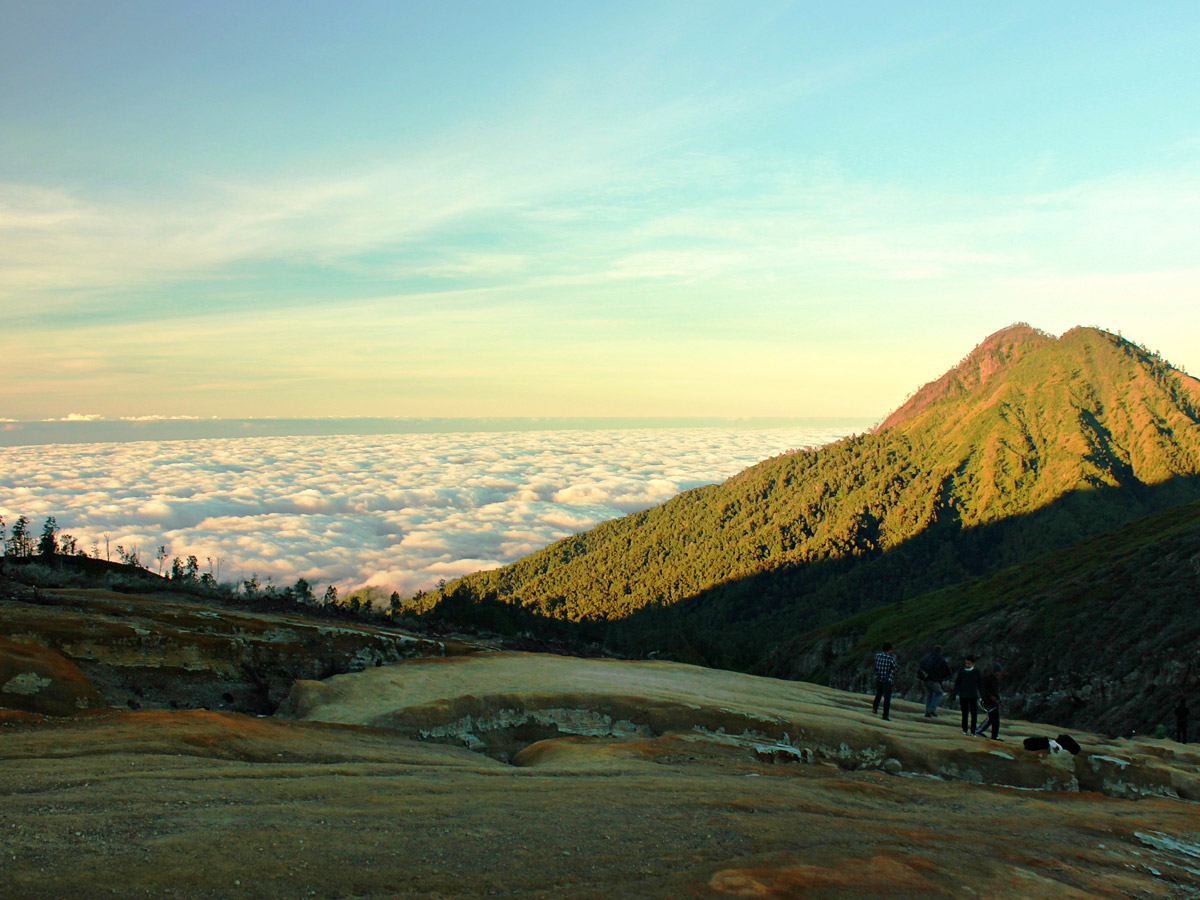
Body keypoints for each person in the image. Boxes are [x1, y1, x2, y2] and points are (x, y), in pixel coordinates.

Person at [918, 645, 952, 717]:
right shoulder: (940, 658)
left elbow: (921, 665)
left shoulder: (927, 656)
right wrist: (949, 676)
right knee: (939, 693)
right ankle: (931, 709)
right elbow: (946, 668)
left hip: (925, 678)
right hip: (933, 679)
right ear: (940, 651)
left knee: (929, 694)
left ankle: (927, 712)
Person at [952, 655, 983, 736]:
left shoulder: (977, 672)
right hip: (963, 695)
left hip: (973, 695)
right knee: (964, 714)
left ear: (973, 664)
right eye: (966, 663)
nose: (967, 665)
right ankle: (964, 730)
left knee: (974, 714)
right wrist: (954, 694)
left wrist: (983, 696)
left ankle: (973, 731)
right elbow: (957, 683)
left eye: (969, 663)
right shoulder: (962, 671)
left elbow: (980, 685)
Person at [975, 662, 1003, 740]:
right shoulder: (988, 678)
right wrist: (989, 697)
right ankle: (993, 736)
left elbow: (994, 692)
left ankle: (980, 731)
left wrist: (998, 699)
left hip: (992, 701)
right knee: (994, 719)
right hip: (987, 701)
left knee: (992, 718)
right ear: (994, 671)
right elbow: (983, 690)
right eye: (998, 671)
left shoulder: (996, 679)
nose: (1000, 673)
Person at [871, 642, 898, 721]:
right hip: (887, 680)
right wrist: (895, 660)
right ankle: (885, 715)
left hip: (879, 678)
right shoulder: (891, 659)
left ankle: (875, 708)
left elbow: (875, 666)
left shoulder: (878, 655)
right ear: (889, 650)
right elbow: (895, 668)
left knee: (878, 694)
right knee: (887, 698)